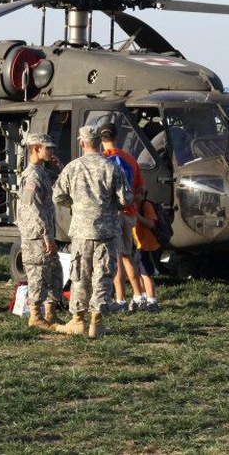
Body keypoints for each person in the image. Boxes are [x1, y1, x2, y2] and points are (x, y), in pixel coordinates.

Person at [53, 126, 131, 338]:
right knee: (103, 275)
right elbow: (126, 199)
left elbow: (58, 196)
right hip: (106, 230)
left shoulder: (72, 167)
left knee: (80, 274)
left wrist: (76, 204)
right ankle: (97, 321)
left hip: (81, 230)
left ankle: (78, 320)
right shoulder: (112, 168)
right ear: (99, 142)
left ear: (81, 143)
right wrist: (109, 205)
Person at [99, 122, 148, 313]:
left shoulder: (100, 160)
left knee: (116, 258)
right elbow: (140, 189)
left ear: (100, 139)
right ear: (117, 137)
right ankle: (139, 295)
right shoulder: (129, 159)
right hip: (129, 214)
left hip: (111, 215)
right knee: (127, 256)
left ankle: (120, 299)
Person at [18, 132, 63, 329]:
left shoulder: (42, 171)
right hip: (36, 235)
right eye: (48, 148)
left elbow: (63, 183)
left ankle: (51, 313)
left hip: (46, 232)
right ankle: (35, 315)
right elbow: (32, 208)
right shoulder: (32, 176)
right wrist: (45, 236)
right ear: (36, 149)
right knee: (38, 273)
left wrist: (58, 166)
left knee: (54, 272)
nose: (51, 151)